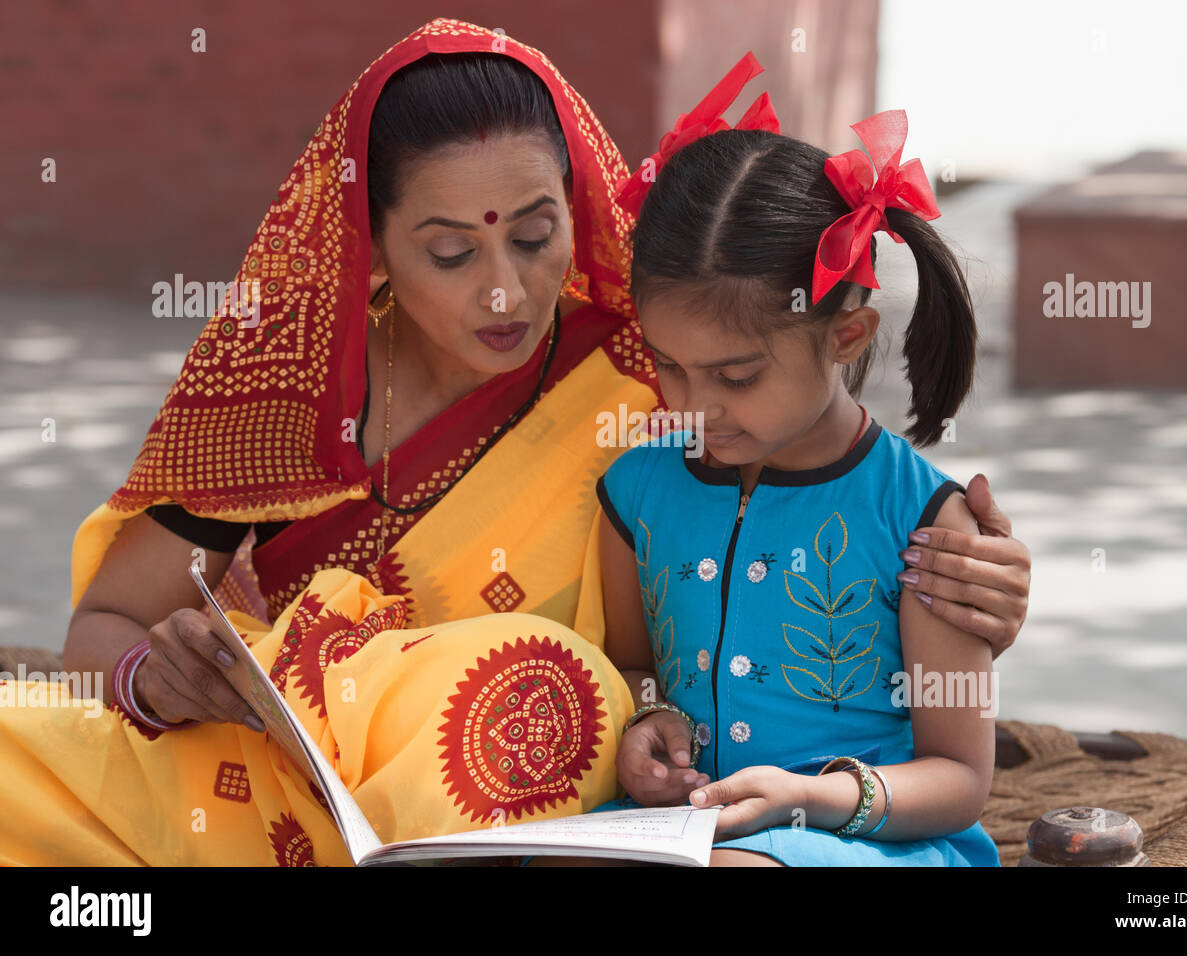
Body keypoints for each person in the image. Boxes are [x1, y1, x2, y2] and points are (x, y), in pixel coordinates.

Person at [0, 22, 1027, 866]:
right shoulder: (288, 392)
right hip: (255, 779)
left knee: (533, 674)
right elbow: (105, 627)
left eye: (536, 235)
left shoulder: (650, 367)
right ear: (371, 245)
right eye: (451, 251)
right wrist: (149, 675)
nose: (505, 290)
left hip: (520, 791)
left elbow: (816, 458)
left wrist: (972, 570)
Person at [587, 61, 1001, 865]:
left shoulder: (918, 518)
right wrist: (646, 721)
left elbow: (959, 776)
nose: (692, 408)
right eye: (668, 365)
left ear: (844, 336)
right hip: (680, 834)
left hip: (867, 841)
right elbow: (632, 666)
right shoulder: (636, 491)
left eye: (736, 376)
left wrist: (813, 797)